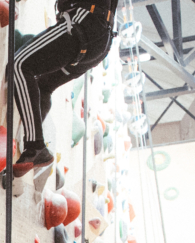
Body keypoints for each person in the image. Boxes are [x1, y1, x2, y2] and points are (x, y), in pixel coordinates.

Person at [9, 0, 117, 174]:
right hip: (98, 42)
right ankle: (32, 144)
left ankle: (34, 145)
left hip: (83, 23)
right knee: (43, 87)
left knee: (19, 65)